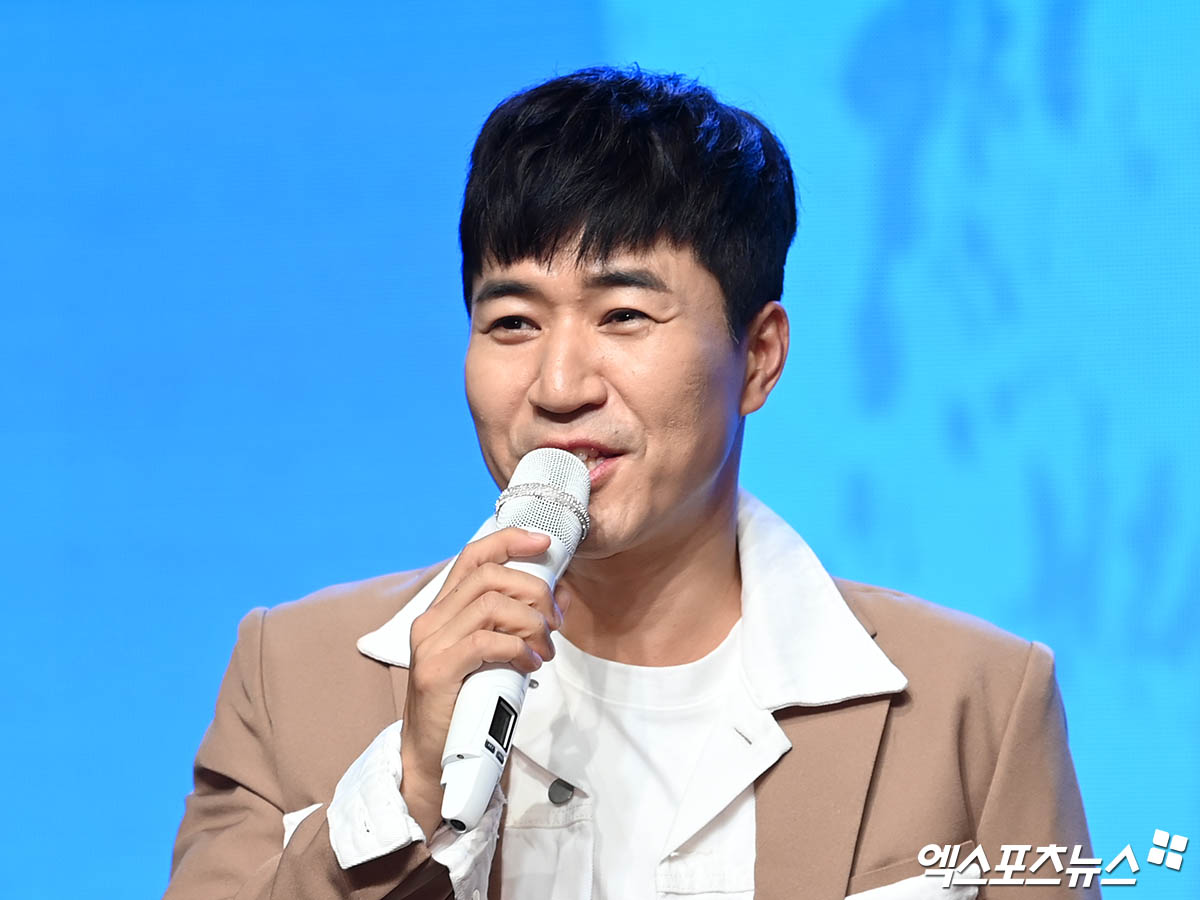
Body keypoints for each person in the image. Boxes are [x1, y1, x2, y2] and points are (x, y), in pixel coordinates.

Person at [165, 67, 1096, 900]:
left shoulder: (976, 703)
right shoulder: (293, 677)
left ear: (759, 357)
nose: (560, 385)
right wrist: (409, 786)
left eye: (623, 315)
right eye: (513, 323)